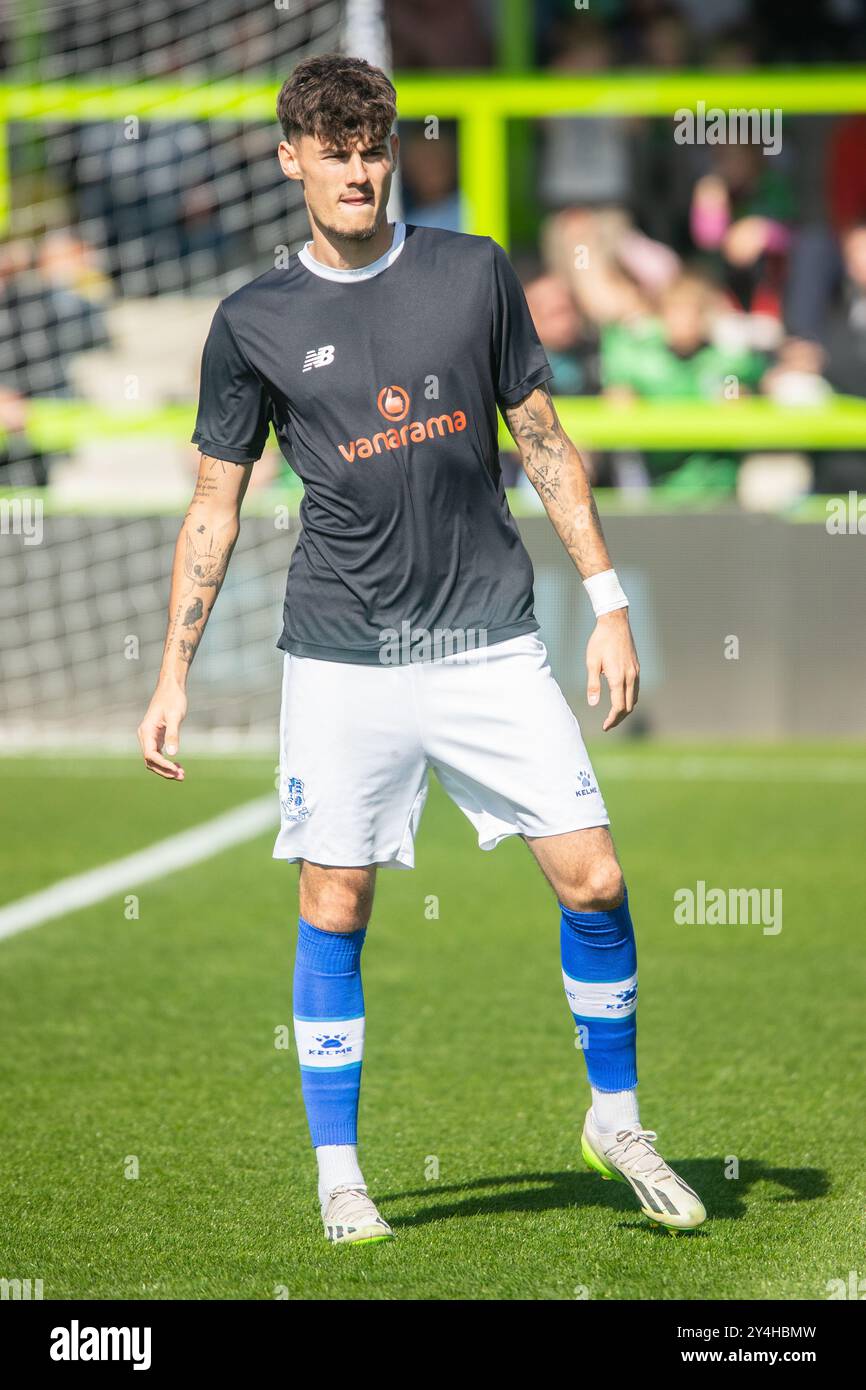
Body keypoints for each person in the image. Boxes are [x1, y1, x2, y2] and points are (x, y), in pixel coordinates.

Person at [137, 54, 706, 1245]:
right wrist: (173, 673)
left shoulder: (471, 271)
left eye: (373, 147)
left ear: (393, 152)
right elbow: (214, 501)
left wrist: (604, 600)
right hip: (341, 656)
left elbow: (542, 440)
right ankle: (340, 1173)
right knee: (334, 900)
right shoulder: (251, 321)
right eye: (332, 149)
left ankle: (615, 1116)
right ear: (289, 158)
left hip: (486, 641)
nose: (356, 169)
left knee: (594, 878)